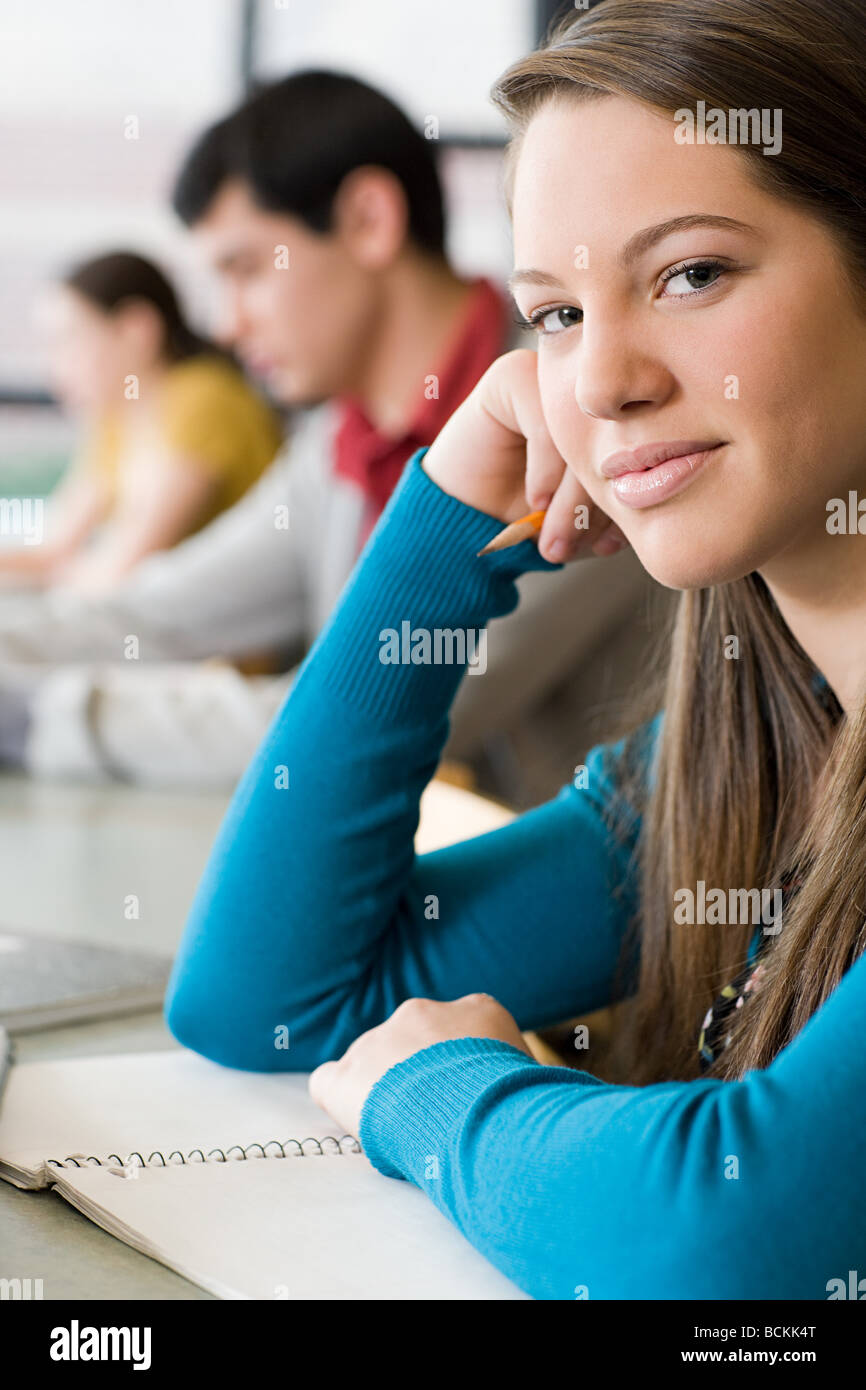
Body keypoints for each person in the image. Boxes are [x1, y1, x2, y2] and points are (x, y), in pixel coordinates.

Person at [164, 0, 866, 1300]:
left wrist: (443, 1090)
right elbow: (264, 1002)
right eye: (551, 314)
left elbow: (723, 1233)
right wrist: (441, 512)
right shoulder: (745, 746)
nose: (599, 381)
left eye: (690, 273)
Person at [0, 70, 658, 795]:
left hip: (608, 899)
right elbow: (154, 617)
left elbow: (369, 716)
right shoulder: (343, 437)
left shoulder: (570, 406)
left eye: (246, 269)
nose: (225, 322)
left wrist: (32, 718)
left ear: (369, 220)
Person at [0, 251, 281, 594]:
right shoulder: (117, 415)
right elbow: (51, 551)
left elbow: (121, 571)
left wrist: (66, 575)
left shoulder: (203, 398)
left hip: (220, 640)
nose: (56, 367)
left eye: (69, 339)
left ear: (136, 329)